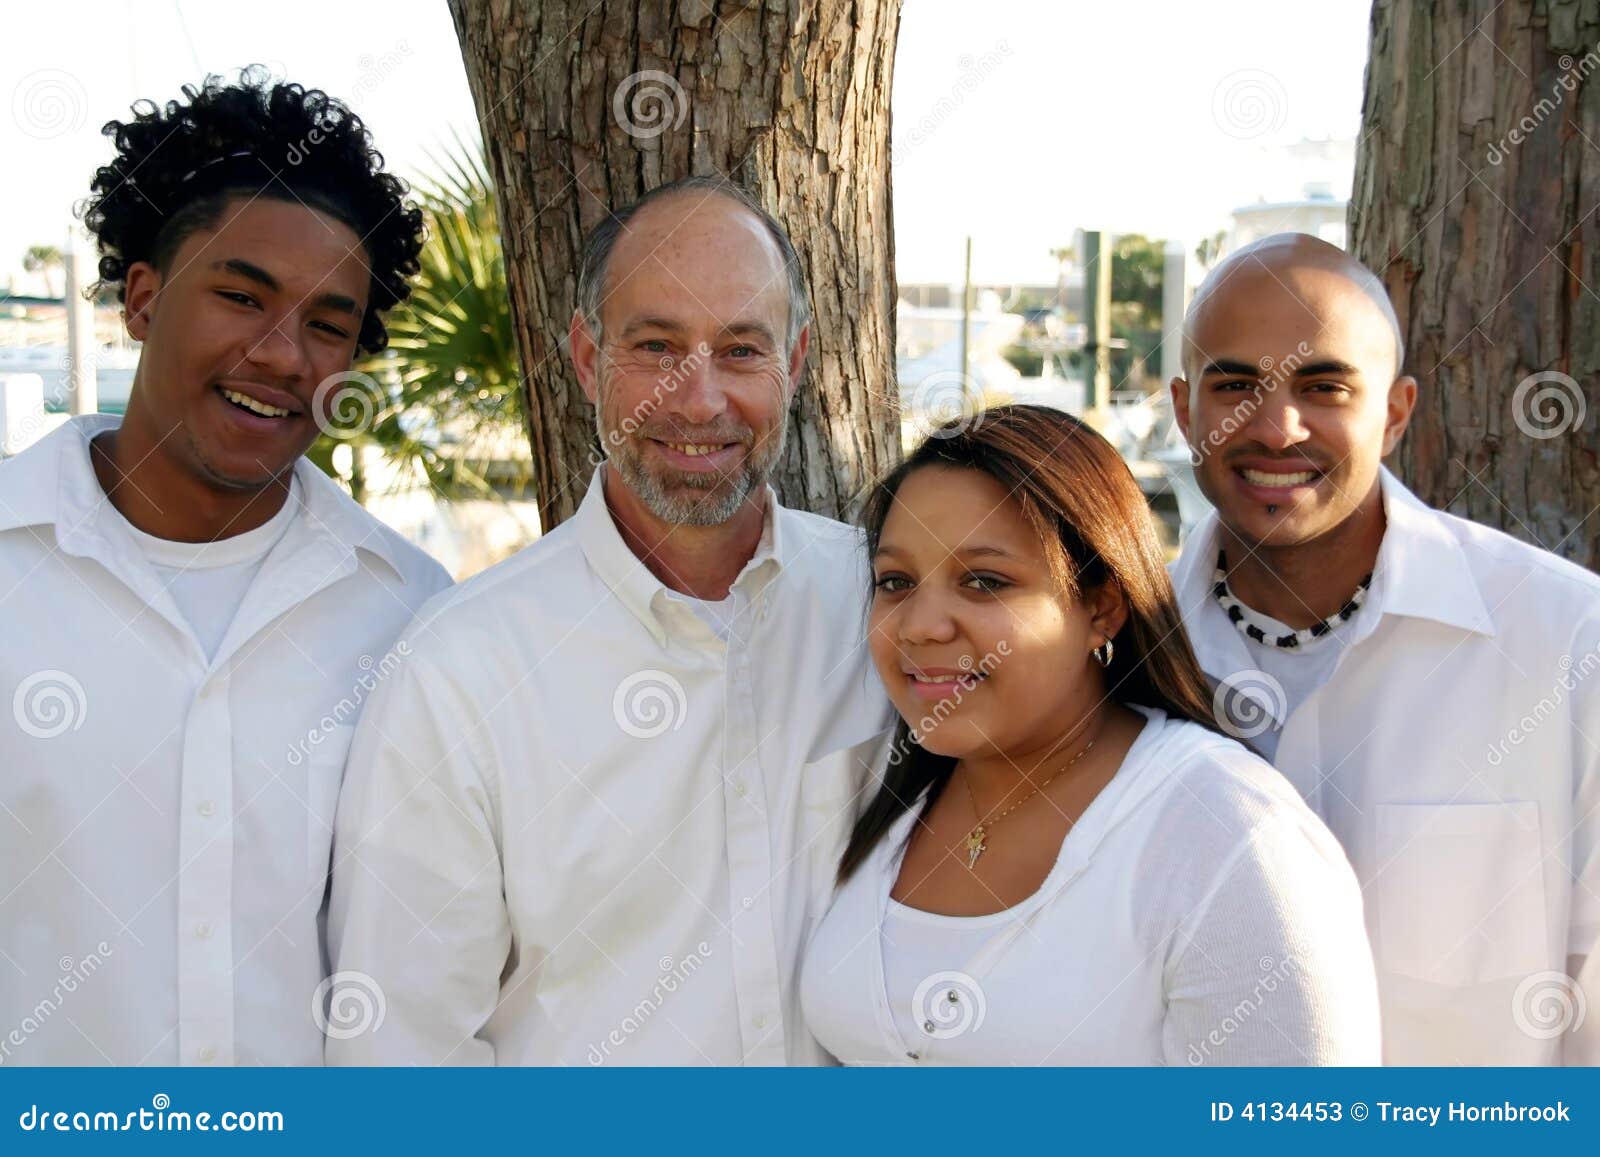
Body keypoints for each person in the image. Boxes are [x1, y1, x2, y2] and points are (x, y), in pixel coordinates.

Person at [325, 176, 894, 1066]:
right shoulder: (463, 667)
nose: (699, 400)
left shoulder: (882, 606)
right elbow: (403, 1051)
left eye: (741, 350)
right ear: (589, 358)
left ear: (798, 358)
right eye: (657, 345)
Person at [0, 70, 450, 1066]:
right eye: (240, 296)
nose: (283, 354)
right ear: (145, 298)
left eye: (328, 323)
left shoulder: (414, 614)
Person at [799, 404, 1380, 1065]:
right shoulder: (880, 785)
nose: (920, 625)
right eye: (896, 581)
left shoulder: (1231, 836)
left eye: (985, 581)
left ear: (1100, 605)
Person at [1168, 231, 1600, 1065]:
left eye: (1323, 384)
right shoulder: (1115, 651)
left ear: (1395, 413)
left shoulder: (1568, 645)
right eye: (1235, 385)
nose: (1277, 426)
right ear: (1186, 411)